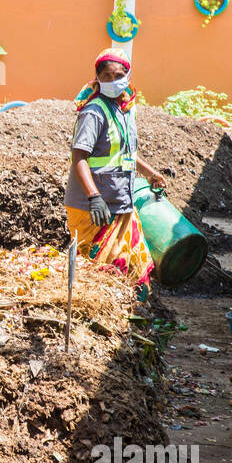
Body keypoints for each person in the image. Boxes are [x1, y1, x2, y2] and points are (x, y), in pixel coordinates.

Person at [64, 48, 168, 301]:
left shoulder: (123, 109)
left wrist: (151, 173)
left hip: (120, 200)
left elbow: (125, 152)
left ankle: (130, 312)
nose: (113, 81)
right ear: (98, 78)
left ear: (128, 76)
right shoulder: (94, 111)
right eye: (106, 76)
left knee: (132, 260)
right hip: (94, 205)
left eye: (118, 75)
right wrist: (94, 196)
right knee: (99, 269)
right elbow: (79, 157)